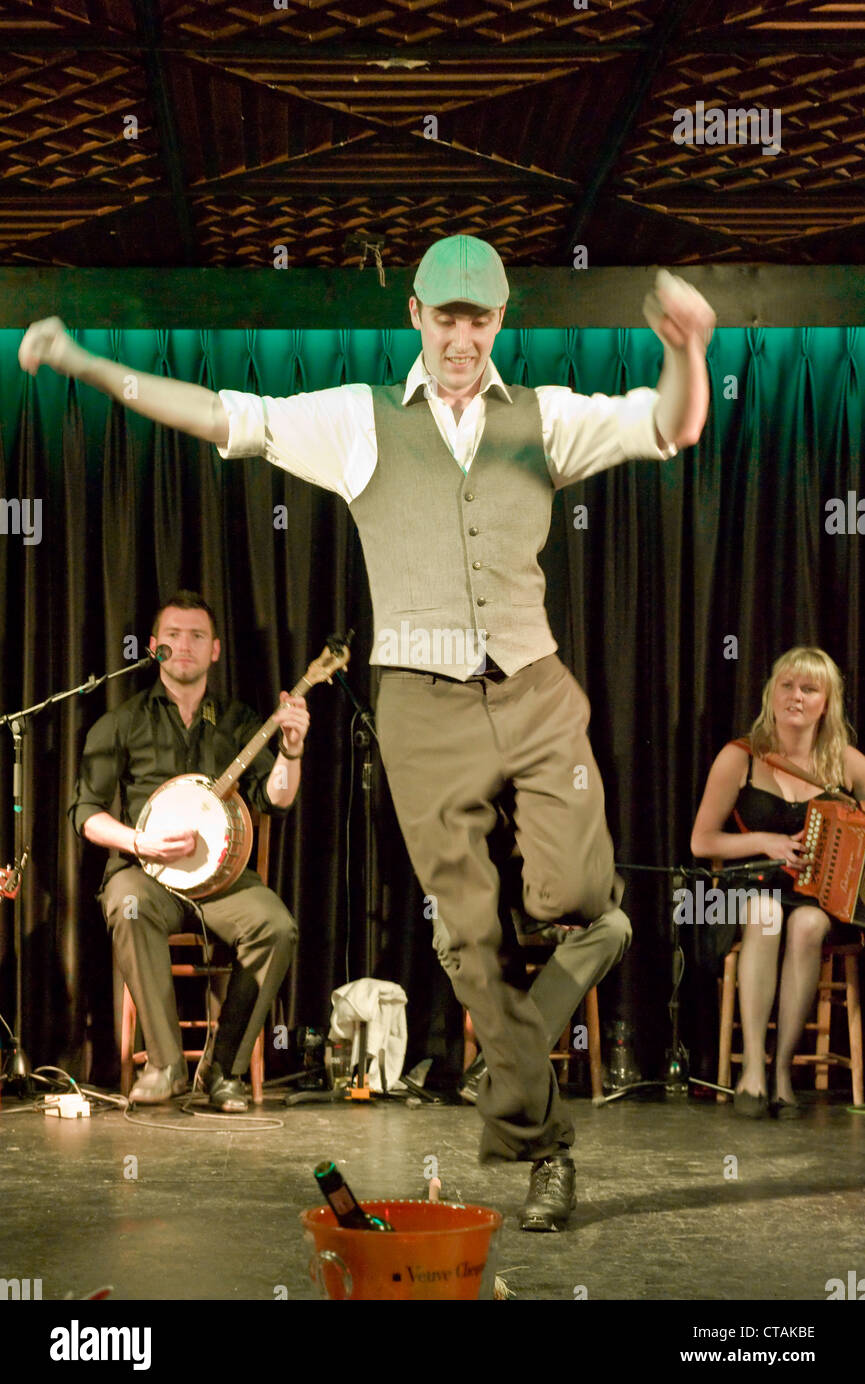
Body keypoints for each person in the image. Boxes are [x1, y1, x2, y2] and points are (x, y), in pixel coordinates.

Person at [22, 234, 715, 1227]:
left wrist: (687, 350)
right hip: (420, 706)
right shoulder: (356, 423)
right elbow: (221, 413)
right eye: (445, 316)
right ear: (416, 319)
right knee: (468, 939)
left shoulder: (548, 417)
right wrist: (89, 364)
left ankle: (513, 1056)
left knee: (584, 904)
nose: (461, 337)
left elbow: (671, 425)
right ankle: (540, 1148)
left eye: (479, 318)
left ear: (500, 322)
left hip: (533, 688)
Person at [68, 591, 308, 1112]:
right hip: (147, 873)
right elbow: (85, 814)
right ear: (154, 648)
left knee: (276, 925)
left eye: (197, 636)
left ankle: (223, 1070)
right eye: (172, 636)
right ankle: (165, 1064)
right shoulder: (122, 721)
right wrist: (139, 841)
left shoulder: (240, 720)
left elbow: (277, 799)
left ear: (215, 650)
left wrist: (291, 748)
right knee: (126, 902)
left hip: (222, 880)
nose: (184, 645)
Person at [691, 646, 865, 1118]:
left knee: (807, 925)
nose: (795, 696)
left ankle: (783, 1070)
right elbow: (701, 842)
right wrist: (765, 841)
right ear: (771, 694)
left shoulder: (848, 763)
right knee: (766, 913)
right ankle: (751, 1069)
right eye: (786, 685)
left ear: (825, 703)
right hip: (747, 889)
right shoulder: (741, 756)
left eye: (809, 689)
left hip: (817, 896)